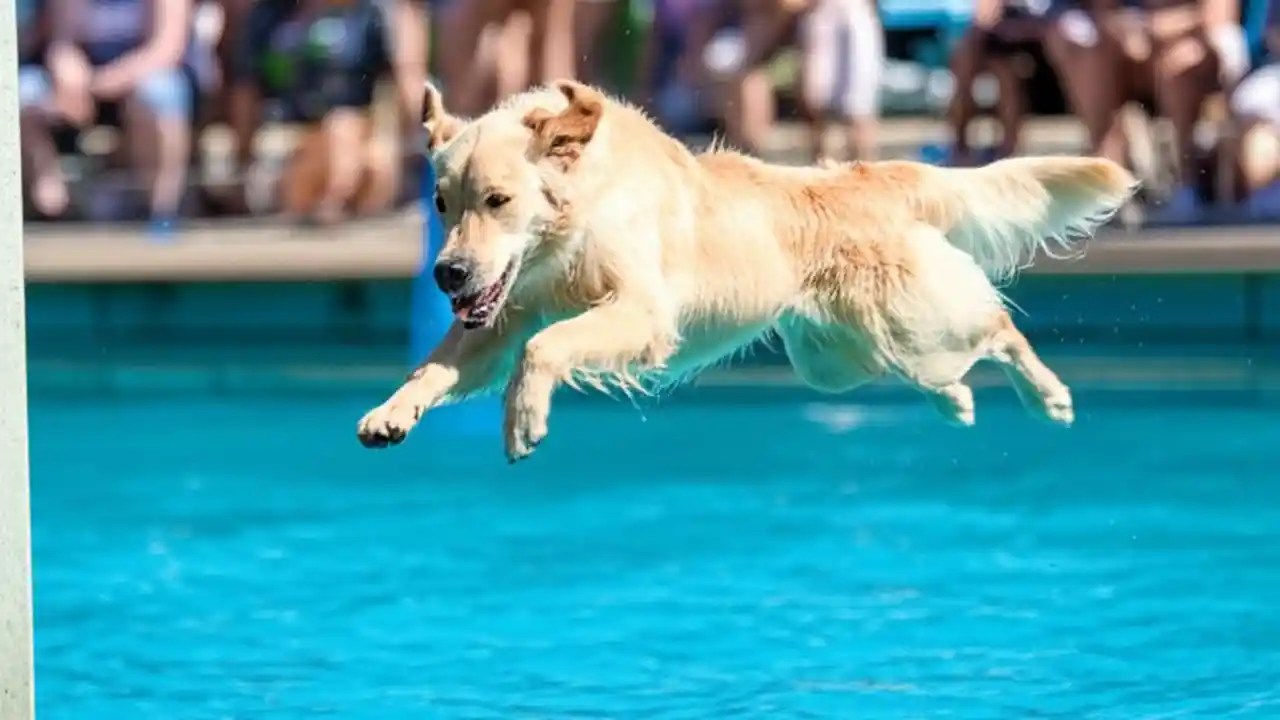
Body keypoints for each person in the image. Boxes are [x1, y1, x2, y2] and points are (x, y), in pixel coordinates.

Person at [1044, 0, 1249, 222]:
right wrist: (1127, 30)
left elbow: (1218, 17)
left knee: (1179, 68)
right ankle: (1109, 174)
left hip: (1197, 42)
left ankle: (1186, 180)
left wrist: (1159, 27)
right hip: (1134, 43)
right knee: (1087, 56)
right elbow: (1103, 11)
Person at [20, 0, 203, 232]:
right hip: (85, 86)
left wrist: (108, 82)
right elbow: (62, 43)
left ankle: (161, 211)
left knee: (160, 92)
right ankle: (51, 207)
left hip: (138, 78)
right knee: (23, 93)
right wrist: (69, 75)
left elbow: (167, 48)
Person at [226, 0, 401, 225]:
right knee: (342, 137)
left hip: (356, 134)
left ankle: (331, 202)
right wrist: (243, 157)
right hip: (288, 135)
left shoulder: (369, 14)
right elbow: (246, 88)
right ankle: (332, 203)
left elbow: (392, 87)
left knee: (362, 151)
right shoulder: (268, 14)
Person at [948, 0, 1057, 165]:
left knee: (1004, 69)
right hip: (996, 33)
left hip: (1033, 27)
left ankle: (1005, 150)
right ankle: (961, 148)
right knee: (972, 57)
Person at [798, 0, 884, 161]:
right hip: (821, 14)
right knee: (817, 107)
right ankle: (824, 176)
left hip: (856, 12)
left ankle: (864, 177)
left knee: (859, 111)